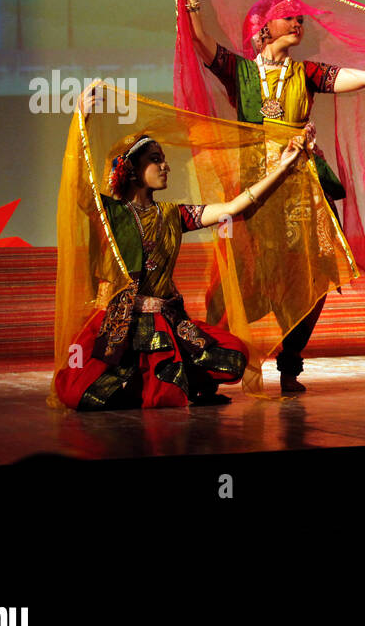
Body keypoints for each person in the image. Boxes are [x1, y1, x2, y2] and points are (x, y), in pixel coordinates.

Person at [176, 0, 365, 392]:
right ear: (262, 26)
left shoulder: (308, 74)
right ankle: (211, 366)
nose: (298, 22)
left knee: (310, 280)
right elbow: (199, 40)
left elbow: (362, 78)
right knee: (235, 280)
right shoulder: (239, 72)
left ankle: (291, 365)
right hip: (253, 191)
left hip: (301, 190)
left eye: (300, 17)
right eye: (288, 16)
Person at [54, 121, 312, 410]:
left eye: (164, 159)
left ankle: (165, 379)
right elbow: (78, 185)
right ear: (132, 170)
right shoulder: (112, 213)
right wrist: (81, 121)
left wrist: (284, 166)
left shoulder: (173, 215)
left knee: (235, 356)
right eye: (155, 160)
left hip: (166, 322)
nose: (165, 166)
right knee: (79, 392)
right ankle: (141, 380)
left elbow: (232, 207)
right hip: (123, 324)